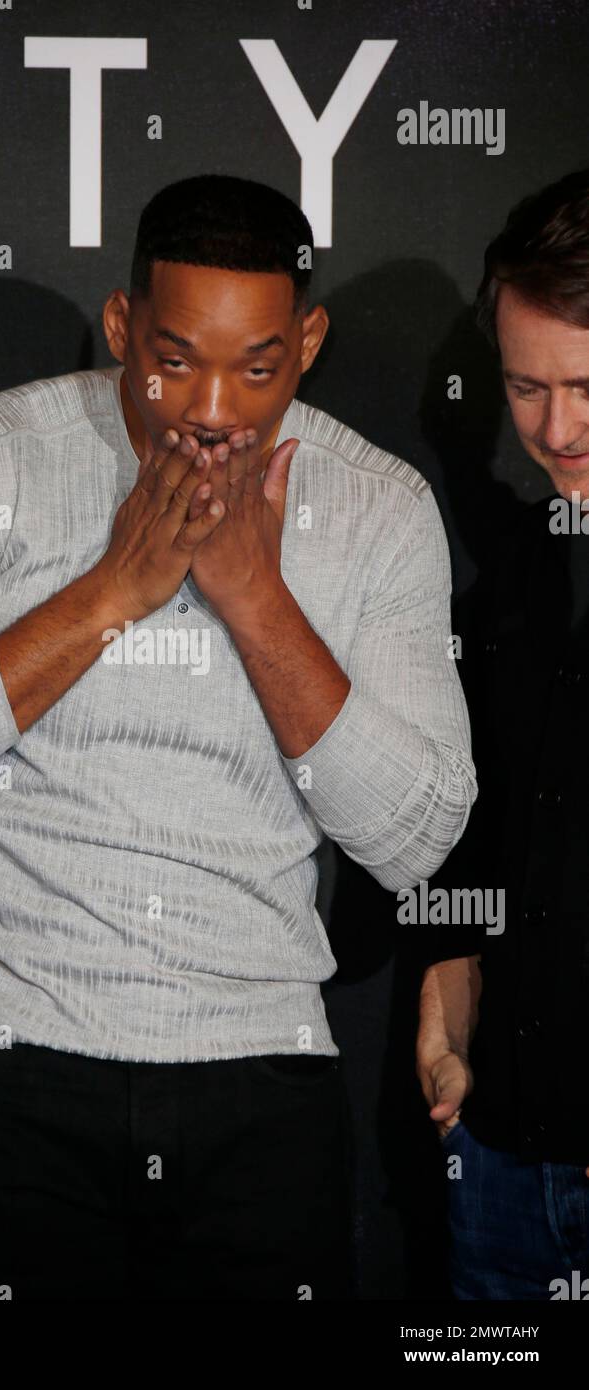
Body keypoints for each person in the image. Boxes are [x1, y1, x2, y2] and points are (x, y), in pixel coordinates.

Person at [0, 173, 476, 1300]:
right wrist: (109, 591)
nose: (212, 407)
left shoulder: (378, 506)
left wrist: (256, 596)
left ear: (306, 341)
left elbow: (416, 838)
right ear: (121, 326)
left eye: (257, 367)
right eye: (174, 359)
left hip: (261, 1086)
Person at [415, 168, 589, 1301]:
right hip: (498, 1161)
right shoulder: (515, 573)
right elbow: (475, 853)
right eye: (525, 388)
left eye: (584, 385)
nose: (555, 428)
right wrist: (440, 1043)